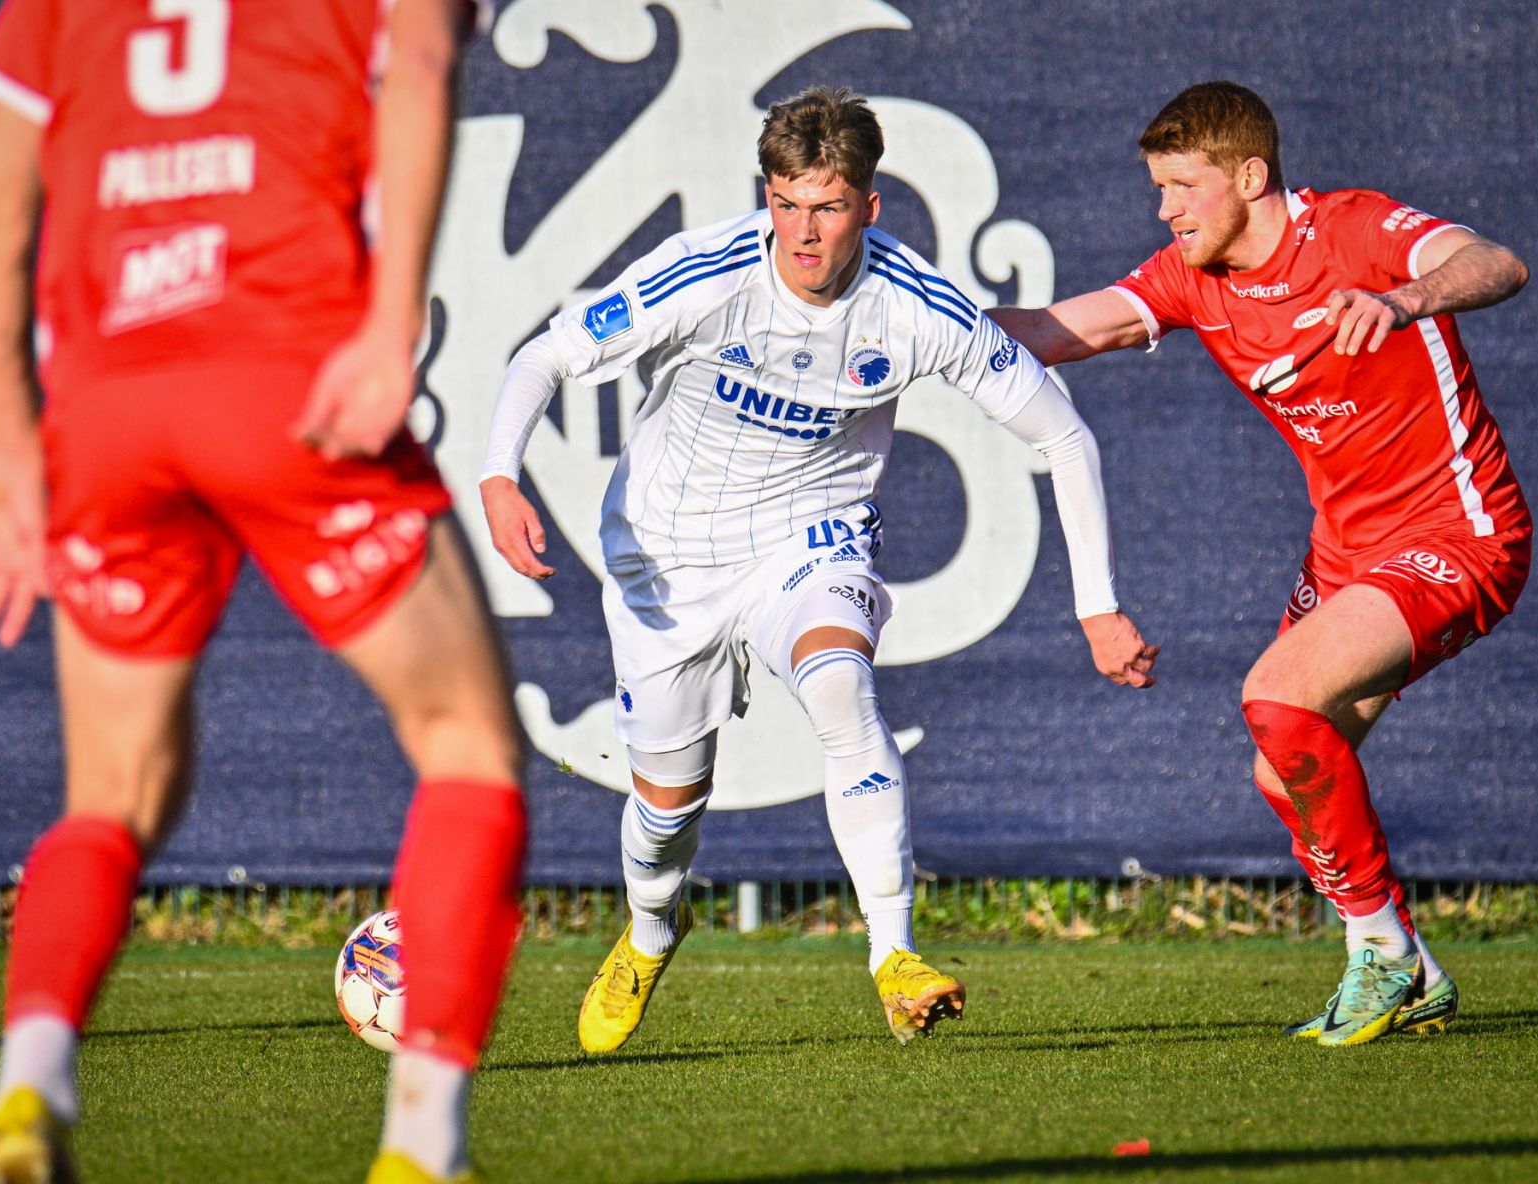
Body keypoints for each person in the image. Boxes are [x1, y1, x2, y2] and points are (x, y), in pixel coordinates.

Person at [0, 1, 525, 1180]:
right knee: (466, 745)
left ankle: (29, 1077)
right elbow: (420, 64)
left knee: (111, 792)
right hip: (283, 374)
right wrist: (390, 323)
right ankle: (421, 1142)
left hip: (108, 405)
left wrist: (8, 441)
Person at [480, 86, 1156, 1053]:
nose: (803, 231)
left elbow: (1064, 435)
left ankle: (894, 955)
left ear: (868, 207)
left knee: (841, 685)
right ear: (767, 196)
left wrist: (1098, 605)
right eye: (787, 203)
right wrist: (500, 478)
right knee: (665, 811)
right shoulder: (704, 275)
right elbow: (543, 358)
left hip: (810, 537)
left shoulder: (916, 305)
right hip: (666, 559)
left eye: (828, 207)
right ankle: (651, 929)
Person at [991, 80, 1532, 1047]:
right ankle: (1415, 968)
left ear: (1249, 176)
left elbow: (1499, 263)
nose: (1167, 209)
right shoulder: (1190, 276)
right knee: (1284, 776)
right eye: (1159, 188)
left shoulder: (1354, 229)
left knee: (1277, 697)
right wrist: (908, 324)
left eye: (1183, 186)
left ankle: (1381, 953)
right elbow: (1061, 331)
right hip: (1348, 554)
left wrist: (1404, 299)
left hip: (1461, 536)